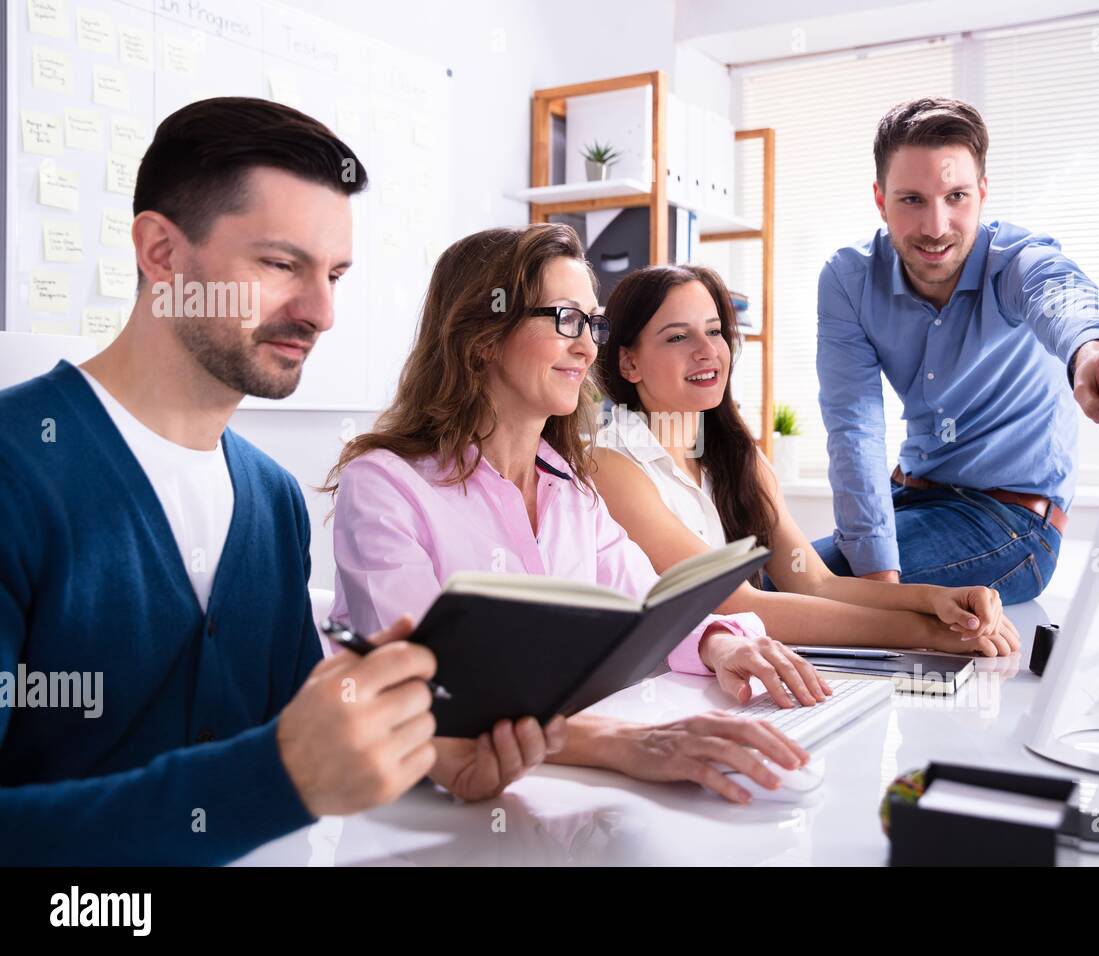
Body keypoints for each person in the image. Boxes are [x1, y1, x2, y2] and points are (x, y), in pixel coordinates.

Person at [0, 98, 441, 865]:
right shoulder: (18, 471)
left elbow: (295, 743)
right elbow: (274, 772)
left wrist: (422, 740)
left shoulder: (273, 502)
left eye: (334, 274)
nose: (321, 311)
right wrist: (275, 778)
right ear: (161, 253)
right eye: (280, 265)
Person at [325, 223, 826, 806]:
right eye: (565, 319)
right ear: (485, 336)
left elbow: (648, 605)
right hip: (427, 814)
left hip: (562, 793)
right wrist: (627, 744)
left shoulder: (573, 491)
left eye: (593, 324)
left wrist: (721, 642)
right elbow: (440, 690)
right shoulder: (387, 484)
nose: (588, 348)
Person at [814, 97, 1099, 602]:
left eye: (956, 196)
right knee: (762, 581)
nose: (935, 226)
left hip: (1011, 523)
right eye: (911, 200)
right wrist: (879, 590)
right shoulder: (848, 279)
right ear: (880, 200)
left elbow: (1061, 295)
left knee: (784, 591)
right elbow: (854, 428)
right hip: (909, 498)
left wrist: (1093, 348)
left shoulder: (1015, 262)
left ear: (982, 194)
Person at [590, 264, 1019, 657]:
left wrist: (936, 600)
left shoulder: (737, 459)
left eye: (715, 331)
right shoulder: (612, 464)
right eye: (678, 337)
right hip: (653, 695)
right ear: (629, 363)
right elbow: (736, 604)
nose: (708, 351)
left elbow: (815, 582)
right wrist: (929, 633)